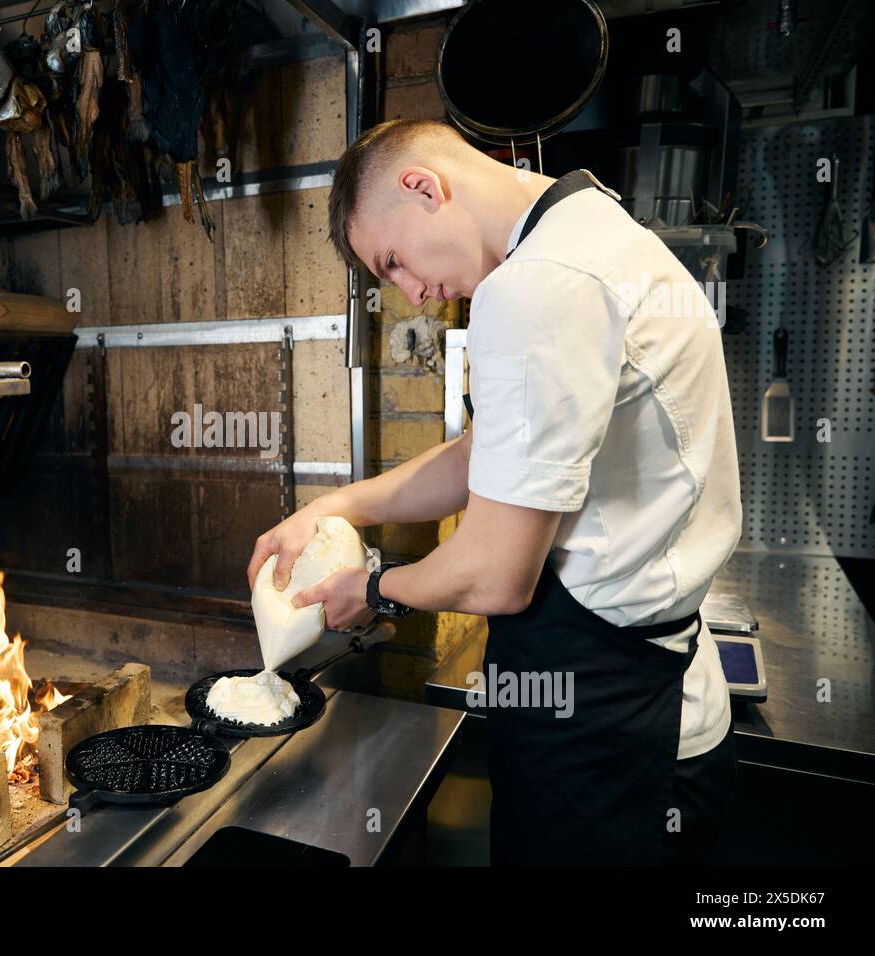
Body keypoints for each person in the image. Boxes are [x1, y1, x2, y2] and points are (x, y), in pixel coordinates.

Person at [246, 119, 740, 865]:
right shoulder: (585, 234)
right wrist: (332, 507)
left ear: (423, 187)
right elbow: (488, 458)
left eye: (393, 262)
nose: (411, 296)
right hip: (627, 693)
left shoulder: (538, 286)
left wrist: (373, 588)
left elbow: (497, 574)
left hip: (607, 731)